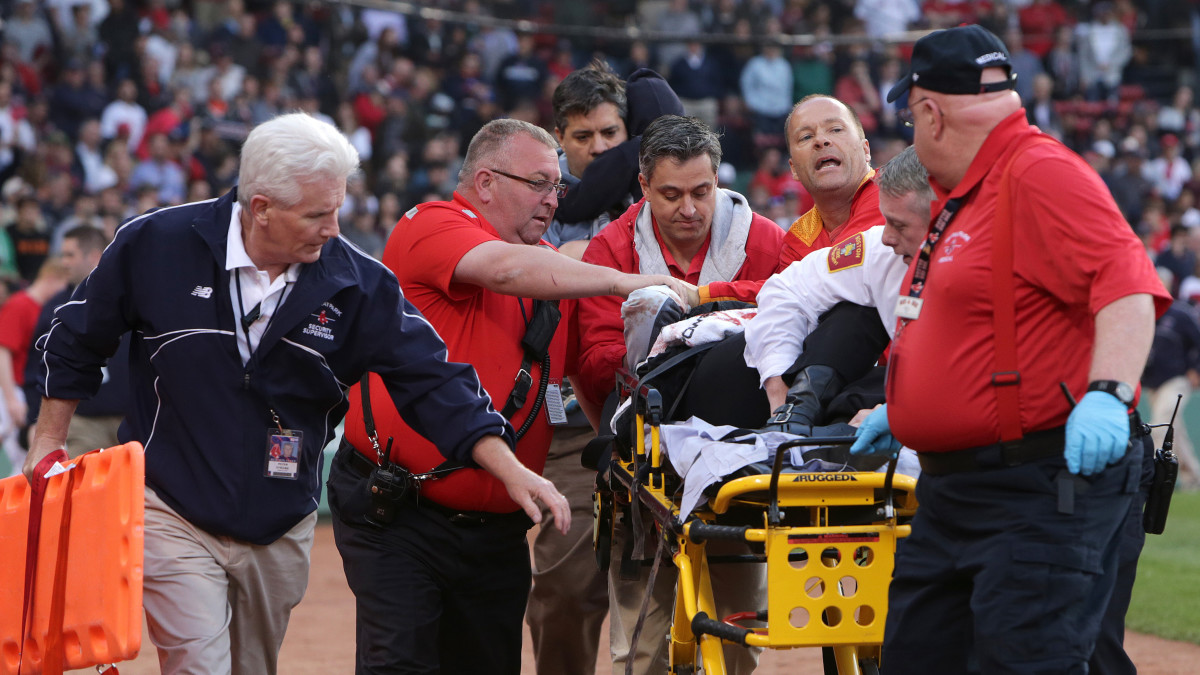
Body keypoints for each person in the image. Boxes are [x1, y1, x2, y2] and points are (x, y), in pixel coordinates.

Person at [24, 112, 570, 675]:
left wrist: (506, 466)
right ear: (260, 208)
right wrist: (48, 440)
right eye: (317, 214)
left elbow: (434, 380)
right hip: (171, 505)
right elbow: (76, 338)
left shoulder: (358, 284)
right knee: (198, 666)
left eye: (337, 209)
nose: (334, 228)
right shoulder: (155, 244)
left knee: (250, 667)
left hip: (279, 520)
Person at [851, 25, 1170, 673]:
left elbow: (1129, 285)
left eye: (911, 117)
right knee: (916, 656)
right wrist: (908, 404)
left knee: (1025, 659)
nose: (912, 132)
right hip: (956, 492)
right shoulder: (963, 194)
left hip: (1036, 485)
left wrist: (1107, 393)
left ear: (930, 112)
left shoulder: (1038, 172)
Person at [329, 118, 691, 675]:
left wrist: (613, 460)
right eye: (539, 183)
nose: (554, 199)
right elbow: (503, 268)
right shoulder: (432, 223)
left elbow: (579, 379)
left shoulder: (555, 274)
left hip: (496, 532)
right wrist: (623, 280)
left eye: (558, 187)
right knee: (399, 664)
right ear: (485, 182)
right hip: (400, 513)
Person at [576, 114, 782, 675]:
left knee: (737, 635)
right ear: (643, 187)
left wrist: (699, 301)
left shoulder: (764, 238)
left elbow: (795, 306)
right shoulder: (610, 247)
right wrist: (664, 354)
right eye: (670, 195)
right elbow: (593, 362)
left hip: (737, 473)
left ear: (718, 179)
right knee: (642, 650)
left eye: (701, 191)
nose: (688, 209)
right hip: (641, 476)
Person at [528, 61, 682, 675]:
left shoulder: (666, 197)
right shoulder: (543, 201)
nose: (596, 148)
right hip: (571, 423)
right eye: (581, 136)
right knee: (568, 585)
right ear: (558, 140)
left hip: (665, 418)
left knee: (662, 588)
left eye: (610, 135)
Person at [23, 225, 128, 456]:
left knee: (134, 490)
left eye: (70, 255)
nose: (64, 263)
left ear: (94, 255)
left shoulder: (132, 298)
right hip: (81, 421)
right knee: (85, 490)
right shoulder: (55, 306)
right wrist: (35, 421)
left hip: (129, 421)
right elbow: (39, 364)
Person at [0, 259, 68, 471]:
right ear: (51, 278)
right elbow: (2, 351)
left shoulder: (42, 308)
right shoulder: (20, 304)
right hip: (12, 390)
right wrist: (11, 399)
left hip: (26, 390)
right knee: (19, 459)